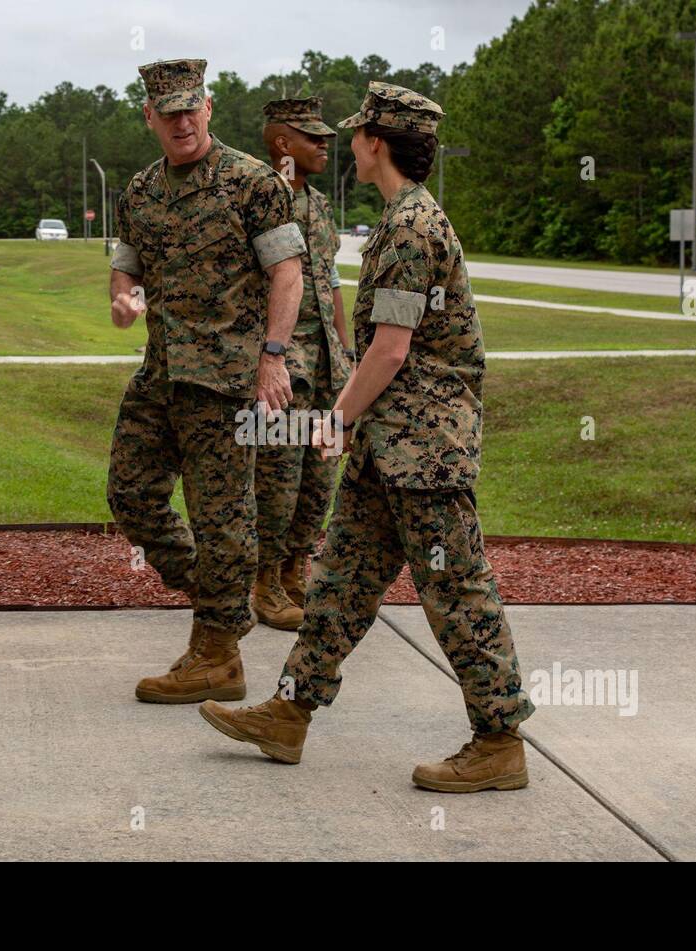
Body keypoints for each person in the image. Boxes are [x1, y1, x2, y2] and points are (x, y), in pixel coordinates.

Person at [200, 82, 537, 792]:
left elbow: (388, 349)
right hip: (393, 448)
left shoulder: (413, 228)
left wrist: (336, 418)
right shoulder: (400, 220)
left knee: (457, 593)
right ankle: (288, 715)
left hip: (425, 450)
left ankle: (499, 739)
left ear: (375, 143)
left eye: (355, 133)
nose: (347, 142)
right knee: (341, 583)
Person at [107, 59, 305, 704]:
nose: (182, 121)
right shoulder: (139, 191)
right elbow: (126, 269)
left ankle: (216, 654)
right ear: (150, 118)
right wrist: (125, 300)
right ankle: (222, 597)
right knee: (131, 495)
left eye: (192, 109)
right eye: (169, 113)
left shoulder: (251, 182)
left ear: (210, 108)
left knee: (224, 518)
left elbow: (287, 274)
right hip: (162, 374)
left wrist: (273, 357)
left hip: (227, 383)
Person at [251, 97, 352, 630]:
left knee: (318, 482)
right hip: (284, 371)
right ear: (282, 143)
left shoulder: (317, 203)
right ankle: (264, 584)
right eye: (313, 137)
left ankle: (294, 573)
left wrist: (347, 348)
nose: (325, 146)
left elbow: (330, 281)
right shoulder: (254, 197)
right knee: (277, 483)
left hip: (327, 368)